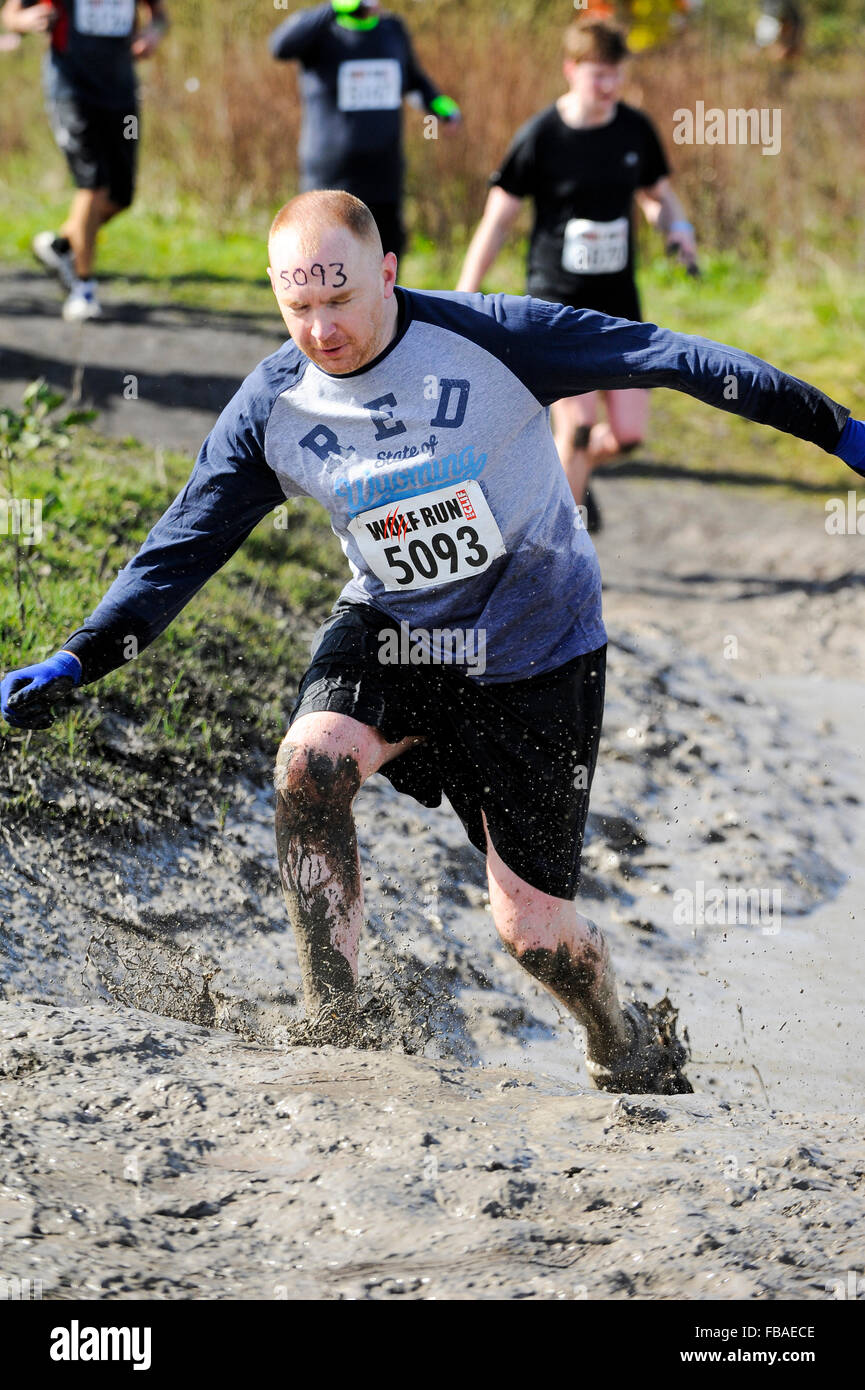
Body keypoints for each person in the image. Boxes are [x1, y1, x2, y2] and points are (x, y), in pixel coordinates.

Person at [4, 190, 864, 1094]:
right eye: (298, 306)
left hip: (538, 647)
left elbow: (671, 358)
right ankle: (335, 1020)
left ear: (388, 272)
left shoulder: (496, 336)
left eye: (340, 300)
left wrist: (835, 429)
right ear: (274, 293)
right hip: (395, 625)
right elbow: (187, 541)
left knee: (532, 934)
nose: (322, 329)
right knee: (309, 766)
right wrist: (82, 655)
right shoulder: (272, 407)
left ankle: (623, 1040)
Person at [457, 17, 697, 531]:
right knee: (580, 427)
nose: (609, 86)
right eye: (598, 75)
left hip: (618, 304)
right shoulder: (542, 136)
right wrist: (464, 292)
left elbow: (657, 195)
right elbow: (498, 220)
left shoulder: (634, 128)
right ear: (571, 71)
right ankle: (562, 548)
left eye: (616, 74)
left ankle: (567, 474)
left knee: (628, 436)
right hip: (557, 305)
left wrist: (677, 227)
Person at [0, 0, 169, 323]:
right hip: (71, 89)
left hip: (120, 91)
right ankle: (83, 287)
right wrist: (24, 19)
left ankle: (63, 246)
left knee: (121, 196)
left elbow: (160, 17)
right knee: (93, 184)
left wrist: (152, 34)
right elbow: (10, 13)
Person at [268, 0, 460, 260]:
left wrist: (440, 105)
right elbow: (280, 46)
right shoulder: (322, 30)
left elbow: (413, 80)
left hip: (384, 173)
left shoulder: (392, 30)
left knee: (384, 253)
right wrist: (336, 7)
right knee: (326, 252)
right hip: (331, 174)